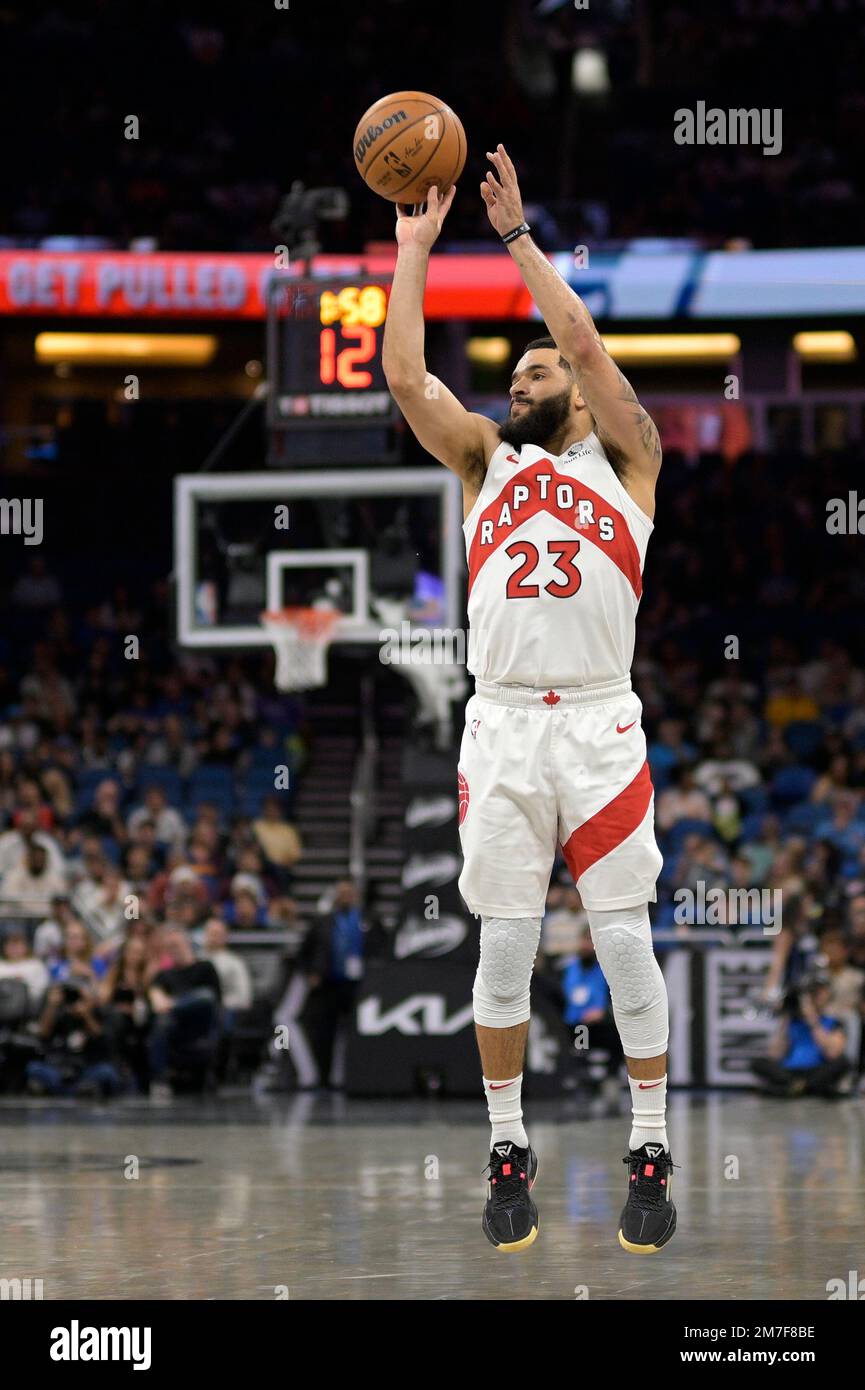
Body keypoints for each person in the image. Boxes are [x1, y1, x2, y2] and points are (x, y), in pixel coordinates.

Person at [382, 150, 673, 1254]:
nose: (520, 383)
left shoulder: (628, 458)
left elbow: (588, 346)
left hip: (598, 721)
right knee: (502, 952)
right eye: (512, 376)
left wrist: (514, 244)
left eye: (536, 374)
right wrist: (413, 249)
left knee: (625, 944)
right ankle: (508, 1143)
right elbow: (410, 383)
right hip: (501, 721)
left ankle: (647, 1140)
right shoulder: (481, 464)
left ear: (579, 394)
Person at [299, 880, 365, 1089]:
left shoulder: (365, 920)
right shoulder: (323, 921)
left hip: (358, 985)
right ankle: (325, 1078)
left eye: (349, 893)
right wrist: (311, 972)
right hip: (329, 984)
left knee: (356, 1030)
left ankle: (352, 1077)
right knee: (325, 1032)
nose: (345, 897)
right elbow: (304, 951)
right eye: (341, 893)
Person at [147, 927, 222, 1096]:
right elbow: (156, 998)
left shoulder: (205, 967)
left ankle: (174, 1005)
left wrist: (172, 1003)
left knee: (205, 996)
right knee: (162, 1020)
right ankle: (159, 1079)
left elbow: (214, 1000)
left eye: (176, 944)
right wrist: (157, 997)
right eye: (170, 946)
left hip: (201, 1023)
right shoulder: (164, 974)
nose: (173, 949)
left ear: (187, 943)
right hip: (175, 1027)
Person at [751, 976, 850, 1098]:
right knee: (759, 1063)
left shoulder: (832, 1021)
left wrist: (812, 1018)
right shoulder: (791, 1022)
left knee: (843, 1062)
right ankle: (801, 1087)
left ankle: (794, 1088)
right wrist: (785, 1017)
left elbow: (832, 1053)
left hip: (815, 1070)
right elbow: (775, 1054)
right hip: (789, 1072)